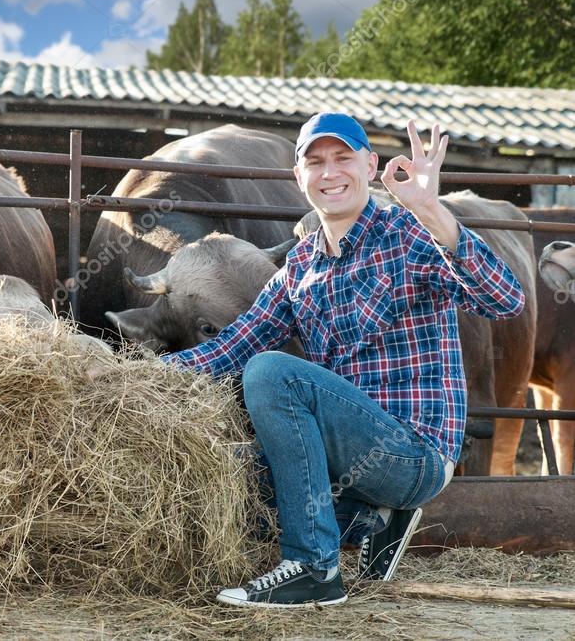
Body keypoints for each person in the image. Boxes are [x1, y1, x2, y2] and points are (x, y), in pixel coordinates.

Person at [160, 113, 525, 607]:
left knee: (270, 371)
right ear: (299, 177)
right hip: (347, 459)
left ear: (371, 166)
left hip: (412, 452)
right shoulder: (300, 266)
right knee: (228, 478)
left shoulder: (409, 234)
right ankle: (373, 519)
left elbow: (504, 300)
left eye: (343, 158)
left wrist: (432, 210)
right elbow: (232, 345)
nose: (329, 172)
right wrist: (133, 375)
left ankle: (313, 569)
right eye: (315, 162)